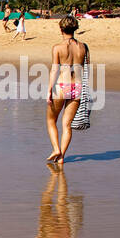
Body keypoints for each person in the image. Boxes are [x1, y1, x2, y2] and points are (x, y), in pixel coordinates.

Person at [45, 16, 88, 166]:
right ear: (75, 29)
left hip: (62, 85)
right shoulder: (83, 47)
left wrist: (49, 89)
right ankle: (61, 157)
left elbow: (54, 70)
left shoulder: (57, 47)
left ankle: (56, 149)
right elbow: (85, 68)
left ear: (61, 29)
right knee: (67, 125)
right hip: (77, 87)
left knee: (51, 120)